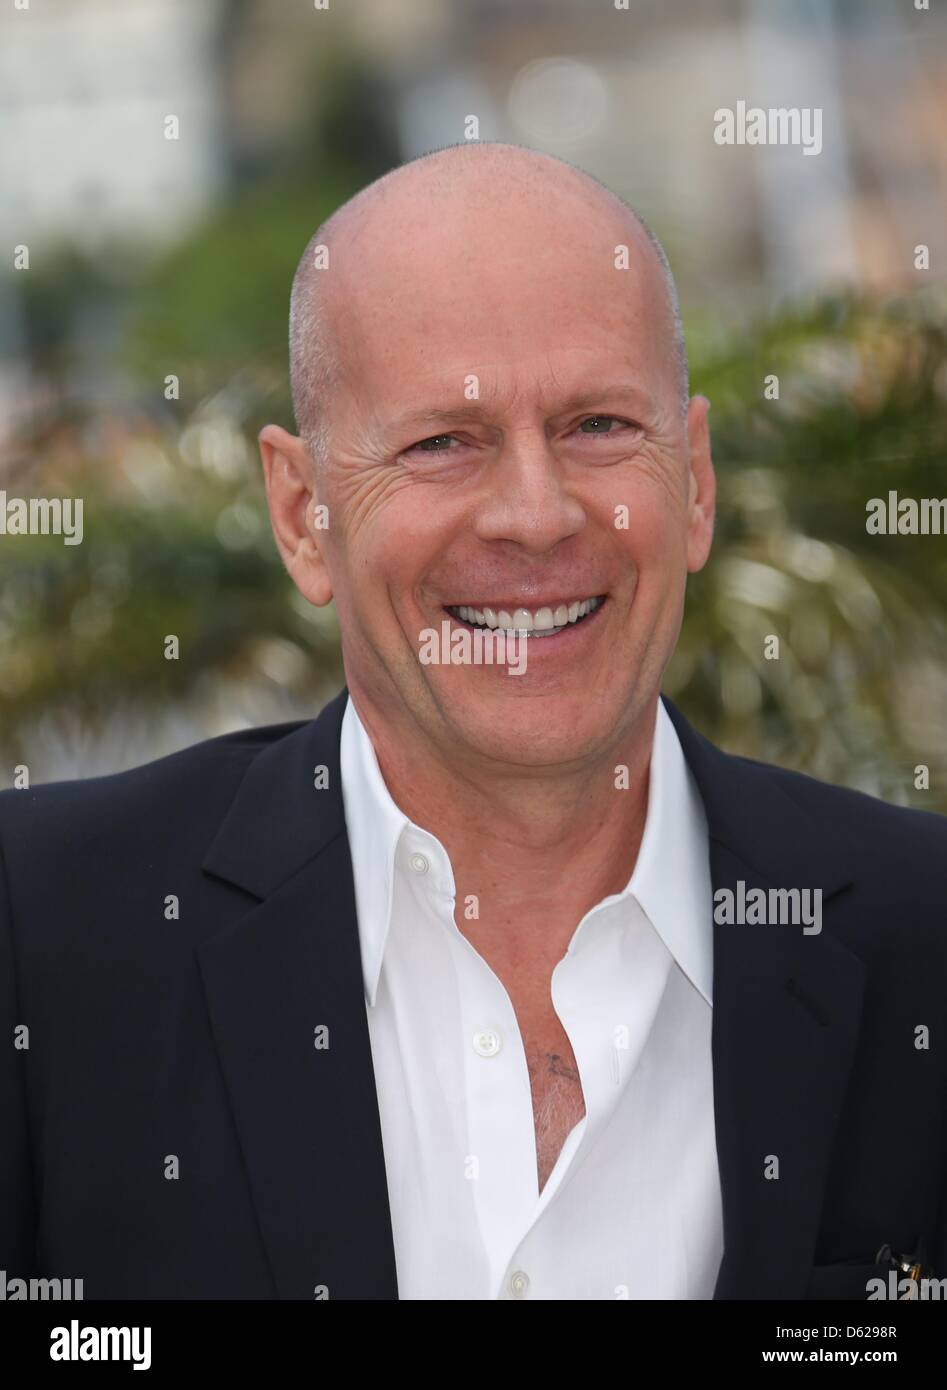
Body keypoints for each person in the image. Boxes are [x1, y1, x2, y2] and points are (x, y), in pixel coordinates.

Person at [2, 142, 945, 1302]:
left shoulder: (922, 939)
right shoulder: (42, 936)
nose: (535, 515)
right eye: (442, 443)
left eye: (598, 424)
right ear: (301, 516)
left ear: (694, 482)